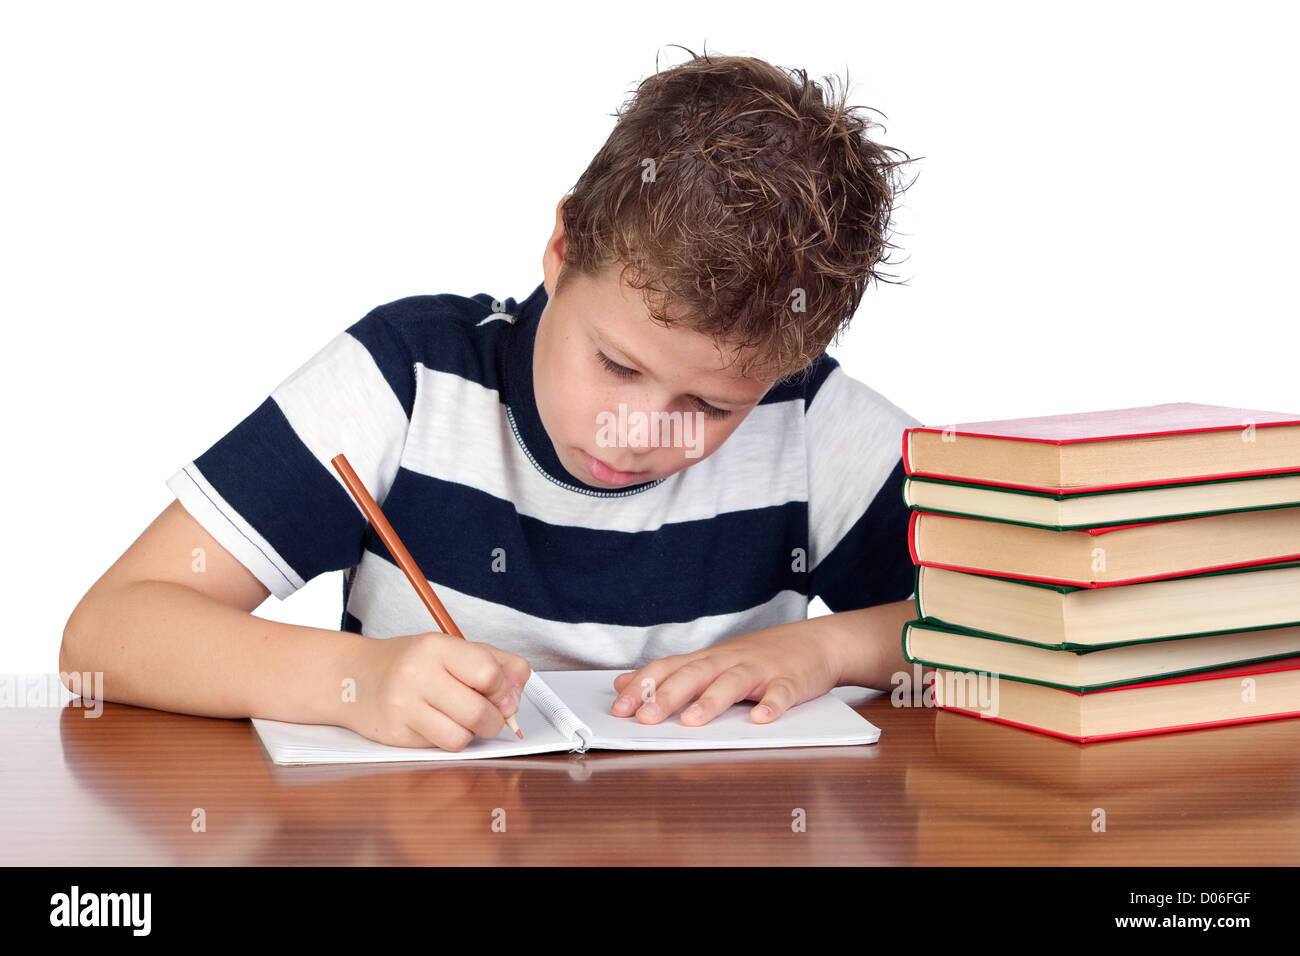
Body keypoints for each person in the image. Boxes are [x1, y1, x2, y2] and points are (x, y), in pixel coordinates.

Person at [61, 48, 922, 751]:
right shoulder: (406, 378)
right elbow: (108, 633)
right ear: (560, 246)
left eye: (710, 406)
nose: (636, 431)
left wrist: (829, 648)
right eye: (617, 365)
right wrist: (353, 684)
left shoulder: (808, 423)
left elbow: (1034, 636)